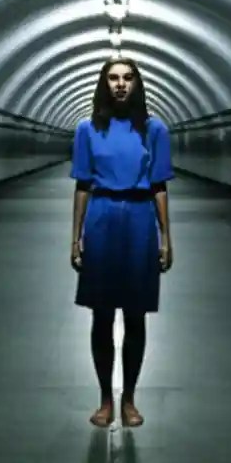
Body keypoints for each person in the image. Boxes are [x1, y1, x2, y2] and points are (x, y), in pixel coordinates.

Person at [69, 56, 174, 428]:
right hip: (101, 217)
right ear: (103, 83)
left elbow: (159, 186)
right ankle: (104, 399)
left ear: (137, 83)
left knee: (135, 314)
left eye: (128, 77)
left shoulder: (154, 130)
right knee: (101, 315)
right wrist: (76, 237)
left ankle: (129, 397)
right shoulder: (86, 129)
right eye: (113, 78)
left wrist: (166, 238)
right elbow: (82, 185)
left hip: (140, 219)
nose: (120, 84)